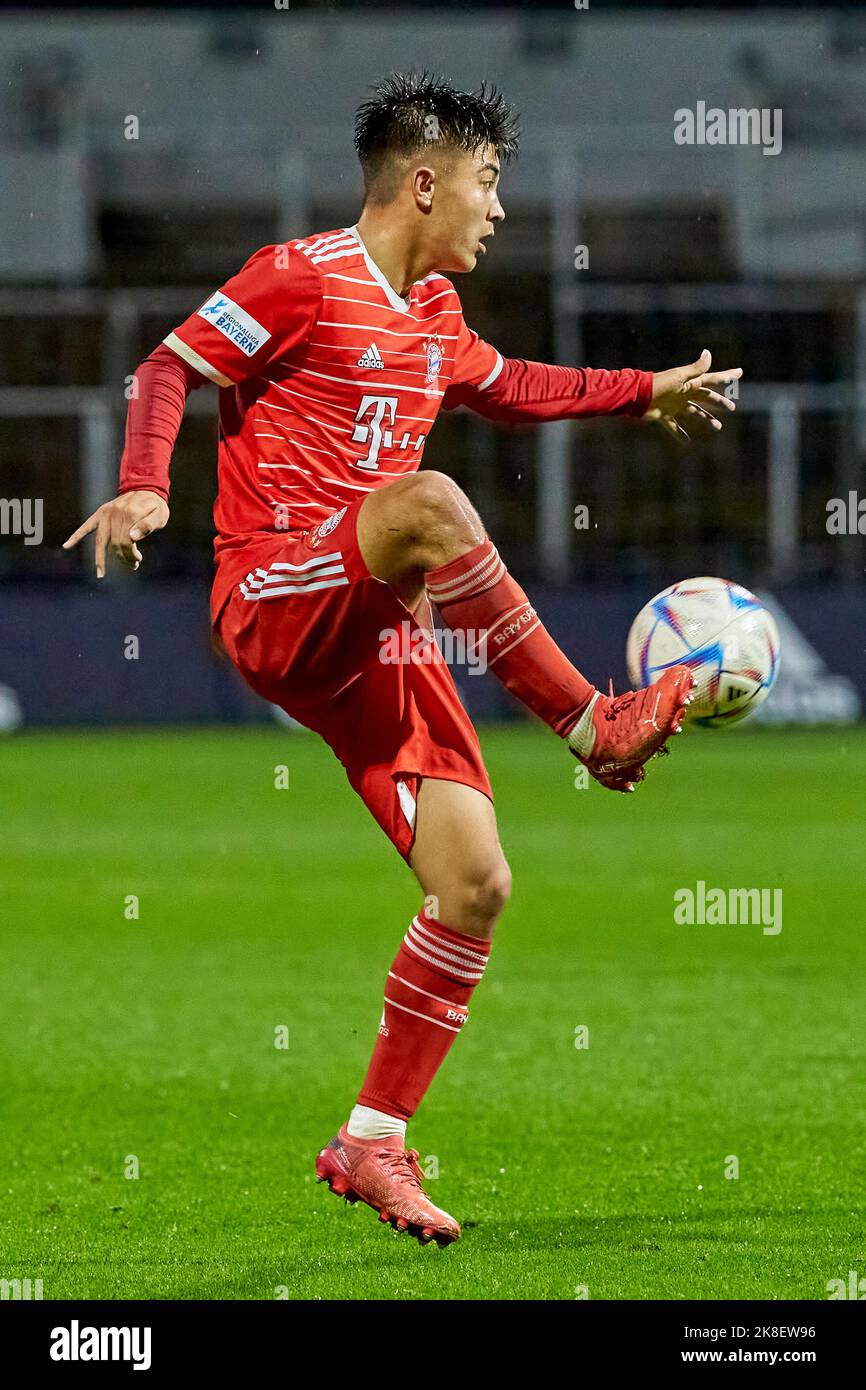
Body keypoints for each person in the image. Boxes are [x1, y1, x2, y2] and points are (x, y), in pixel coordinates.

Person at [64, 71, 741, 1247]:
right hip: (275, 590)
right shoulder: (298, 277)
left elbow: (513, 386)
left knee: (475, 883)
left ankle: (372, 1137)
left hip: (377, 629)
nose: (495, 211)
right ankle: (593, 726)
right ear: (421, 182)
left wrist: (641, 391)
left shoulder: (431, 318)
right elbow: (172, 365)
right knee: (427, 502)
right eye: (486, 184)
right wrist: (137, 482)